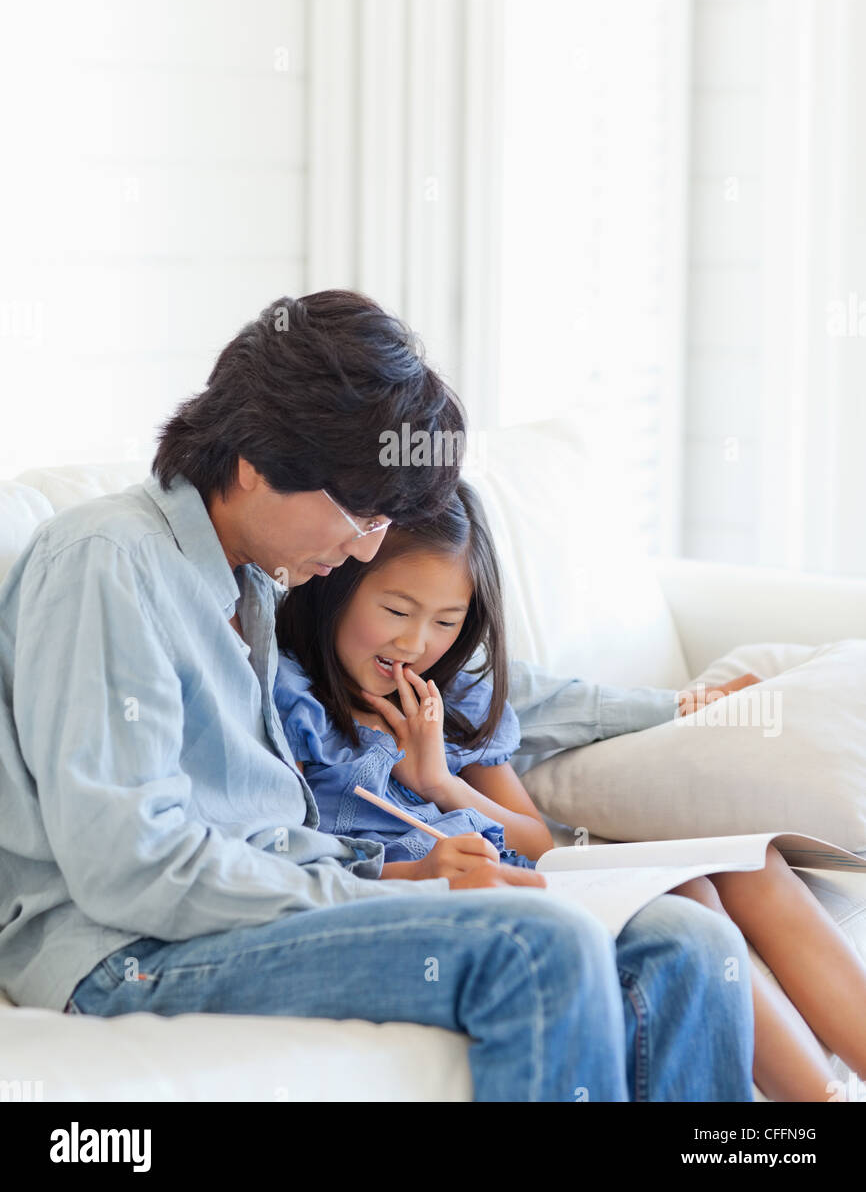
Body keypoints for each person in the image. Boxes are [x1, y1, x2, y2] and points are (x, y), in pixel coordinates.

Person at [0, 290, 755, 1101]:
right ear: (254, 460)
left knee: (679, 939)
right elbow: (132, 868)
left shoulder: (250, 581)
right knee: (537, 945)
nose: (367, 548)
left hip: (248, 912)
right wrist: (380, 887)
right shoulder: (109, 564)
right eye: (360, 514)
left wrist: (405, 875)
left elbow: (473, 696)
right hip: (129, 949)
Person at [274, 476, 866, 1102]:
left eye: (445, 622)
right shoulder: (290, 704)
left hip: (533, 872)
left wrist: (442, 785)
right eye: (396, 612)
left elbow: (534, 836)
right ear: (338, 583)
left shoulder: (457, 699)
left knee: (752, 865)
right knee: (685, 901)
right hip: (454, 900)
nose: (415, 644)